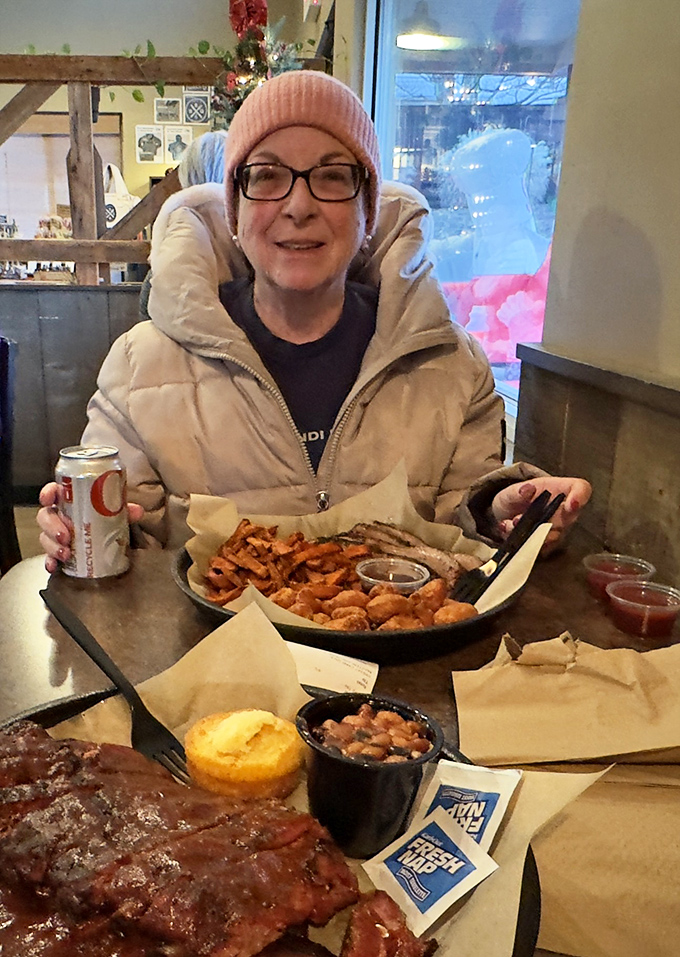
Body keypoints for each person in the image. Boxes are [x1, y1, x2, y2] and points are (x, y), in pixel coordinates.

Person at [37, 71, 590, 572]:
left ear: (367, 212)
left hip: (401, 648)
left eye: (331, 177)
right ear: (235, 213)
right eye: (267, 175)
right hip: (210, 648)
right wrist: (82, 533)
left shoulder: (453, 364)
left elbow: (461, 534)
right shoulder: (138, 367)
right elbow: (130, 551)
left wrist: (500, 515)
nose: (299, 206)